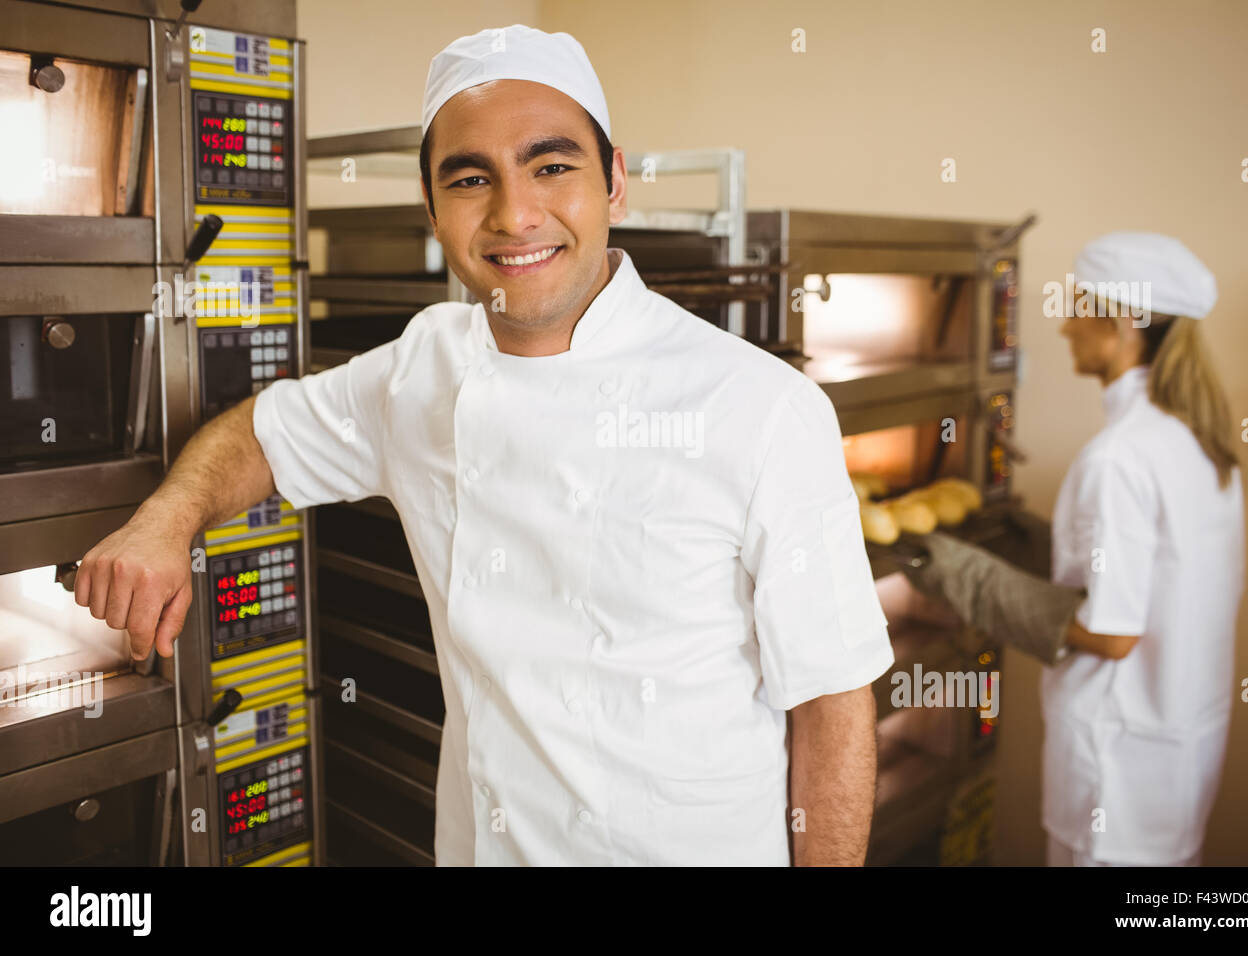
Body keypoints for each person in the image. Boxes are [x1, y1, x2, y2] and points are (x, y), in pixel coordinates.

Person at [73, 24, 895, 866]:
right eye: (472, 179)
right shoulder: (425, 367)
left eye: (552, 165)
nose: (515, 213)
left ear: (614, 184)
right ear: (433, 212)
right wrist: (166, 520)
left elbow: (832, 704)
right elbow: (261, 433)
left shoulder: (762, 408)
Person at [904, 232, 1244, 867]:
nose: (1063, 326)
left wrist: (973, 578)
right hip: (1176, 758)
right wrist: (1037, 545)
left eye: (1077, 306)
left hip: (1117, 774)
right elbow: (1153, 580)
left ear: (1117, 323)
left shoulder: (1118, 458)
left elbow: (1111, 632)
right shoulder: (1199, 441)